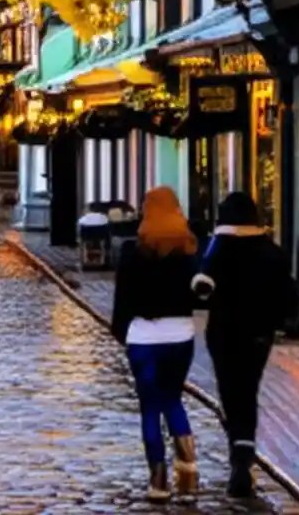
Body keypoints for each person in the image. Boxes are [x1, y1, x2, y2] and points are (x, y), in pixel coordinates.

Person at [192, 192, 298, 498]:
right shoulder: (272, 251)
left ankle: (238, 454)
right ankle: (243, 454)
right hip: (258, 335)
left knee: (230, 391)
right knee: (248, 390)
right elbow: (287, 294)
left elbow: (202, 287)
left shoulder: (218, 249)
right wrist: (281, 321)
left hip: (224, 333)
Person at [110, 186, 200, 502]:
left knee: (150, 407)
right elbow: (197, 295)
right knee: (172, 400)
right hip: (179, 336)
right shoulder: (189, 250)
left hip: (143, 338)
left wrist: (120, 331)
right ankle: (188, 478)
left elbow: (123, 299)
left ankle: (159, 480)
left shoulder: (133, 251)